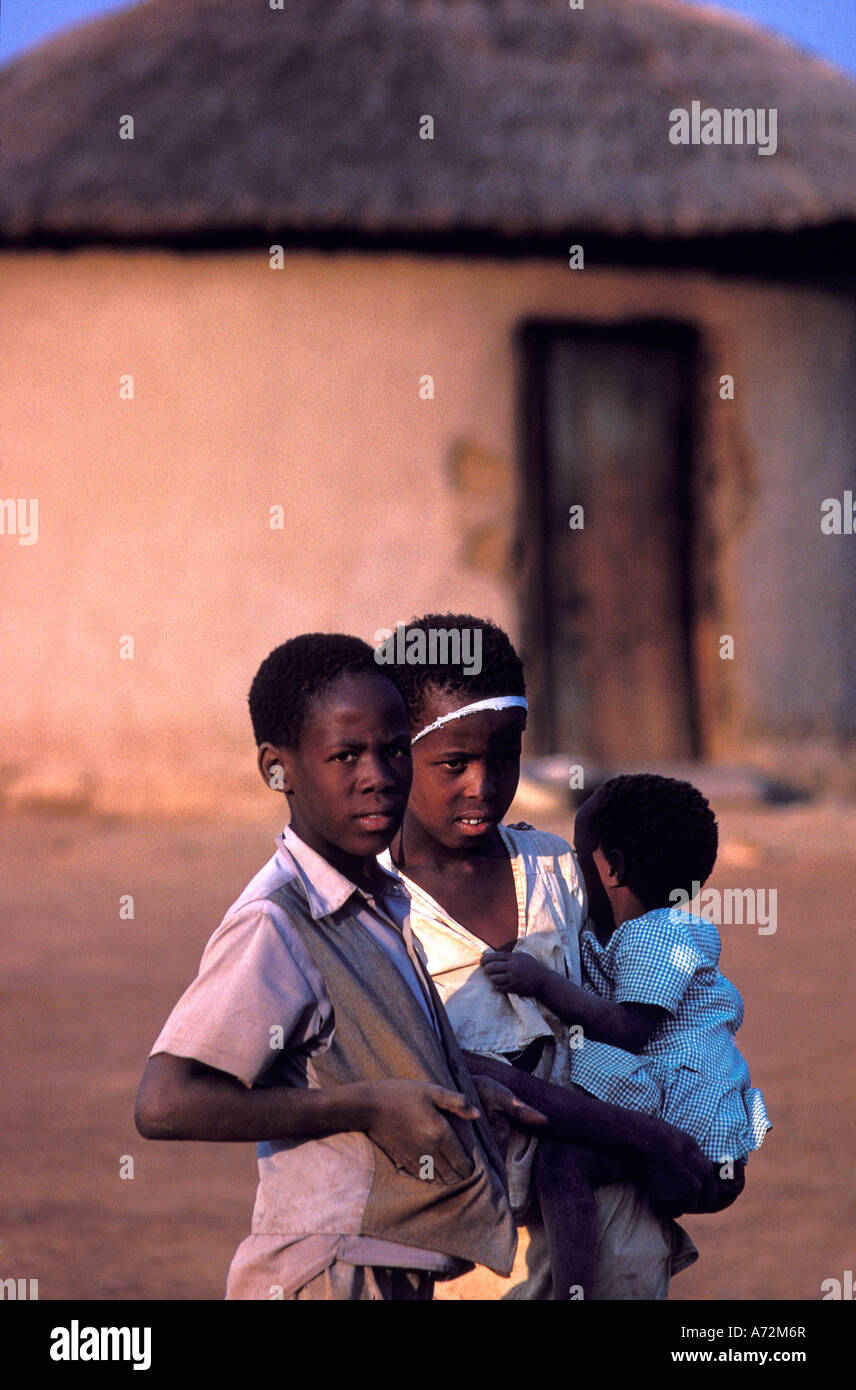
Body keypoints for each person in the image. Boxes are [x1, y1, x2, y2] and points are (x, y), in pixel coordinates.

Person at [135, 633, 541, 1301]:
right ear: (278, 769)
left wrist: (458, 1085)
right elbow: (165, 1102)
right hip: (327, 1271)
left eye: (392, 749)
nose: (378, 775)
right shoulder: (277, 920)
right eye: (344, 756)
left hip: (389, 1265)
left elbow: (359, 1048)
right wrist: (367, 1109)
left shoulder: (377, 900)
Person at [381, 613, 712, 1300]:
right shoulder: (374, 906)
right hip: (466, 1242)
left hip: (601, 1219)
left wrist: (699, 1129)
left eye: (504, 757)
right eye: (454, 763)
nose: (483, 785)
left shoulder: (557, 871)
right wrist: (650, 1138)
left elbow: (631, 1024)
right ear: (394, 753)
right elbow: (457, 1074)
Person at [484, 773, 772, 1286]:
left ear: (613, 867)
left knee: (560, 1162)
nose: (571, 870)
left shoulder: (656, 935)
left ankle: (574, 1288)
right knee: (572, 1164)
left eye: (577, 856)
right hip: (696, 1127)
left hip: (691, 1126)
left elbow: (626, 1029)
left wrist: (541, 982)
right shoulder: (635, 932)